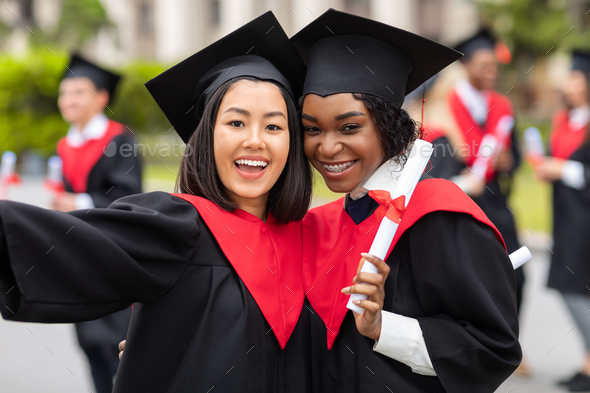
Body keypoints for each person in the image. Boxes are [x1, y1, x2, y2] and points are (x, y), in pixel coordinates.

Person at [0, 12, 312, 393]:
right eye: (235, 123)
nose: (255, 140)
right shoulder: (175, 225)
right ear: (205, 138)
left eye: (274, 126)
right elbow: (69, 242)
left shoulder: (311, 238)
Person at [291, 10, 521, 392]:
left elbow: (492, 349)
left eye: (350, 127)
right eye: (311, 129)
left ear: (389, 126)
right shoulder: (320, 224)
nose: (326, 147)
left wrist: (383, 327)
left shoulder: (440, 216)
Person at [53, 53, 142, 393]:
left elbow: (130, 197)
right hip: (76, 254)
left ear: (102, 98)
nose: (68, 100)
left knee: (116, 345)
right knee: (88, 340)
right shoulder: (66, 144)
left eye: (78, 92)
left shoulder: (119, 141)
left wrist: (78, 202)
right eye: (64, 93)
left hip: (112, 254)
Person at [536, 50, 590, 392]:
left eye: (575, 77)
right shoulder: (565, 119)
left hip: (586, 221)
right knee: (571, 286)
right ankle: (587, 361)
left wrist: (563, 169)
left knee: (574, 287)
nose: (567, 84)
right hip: (567, 217)